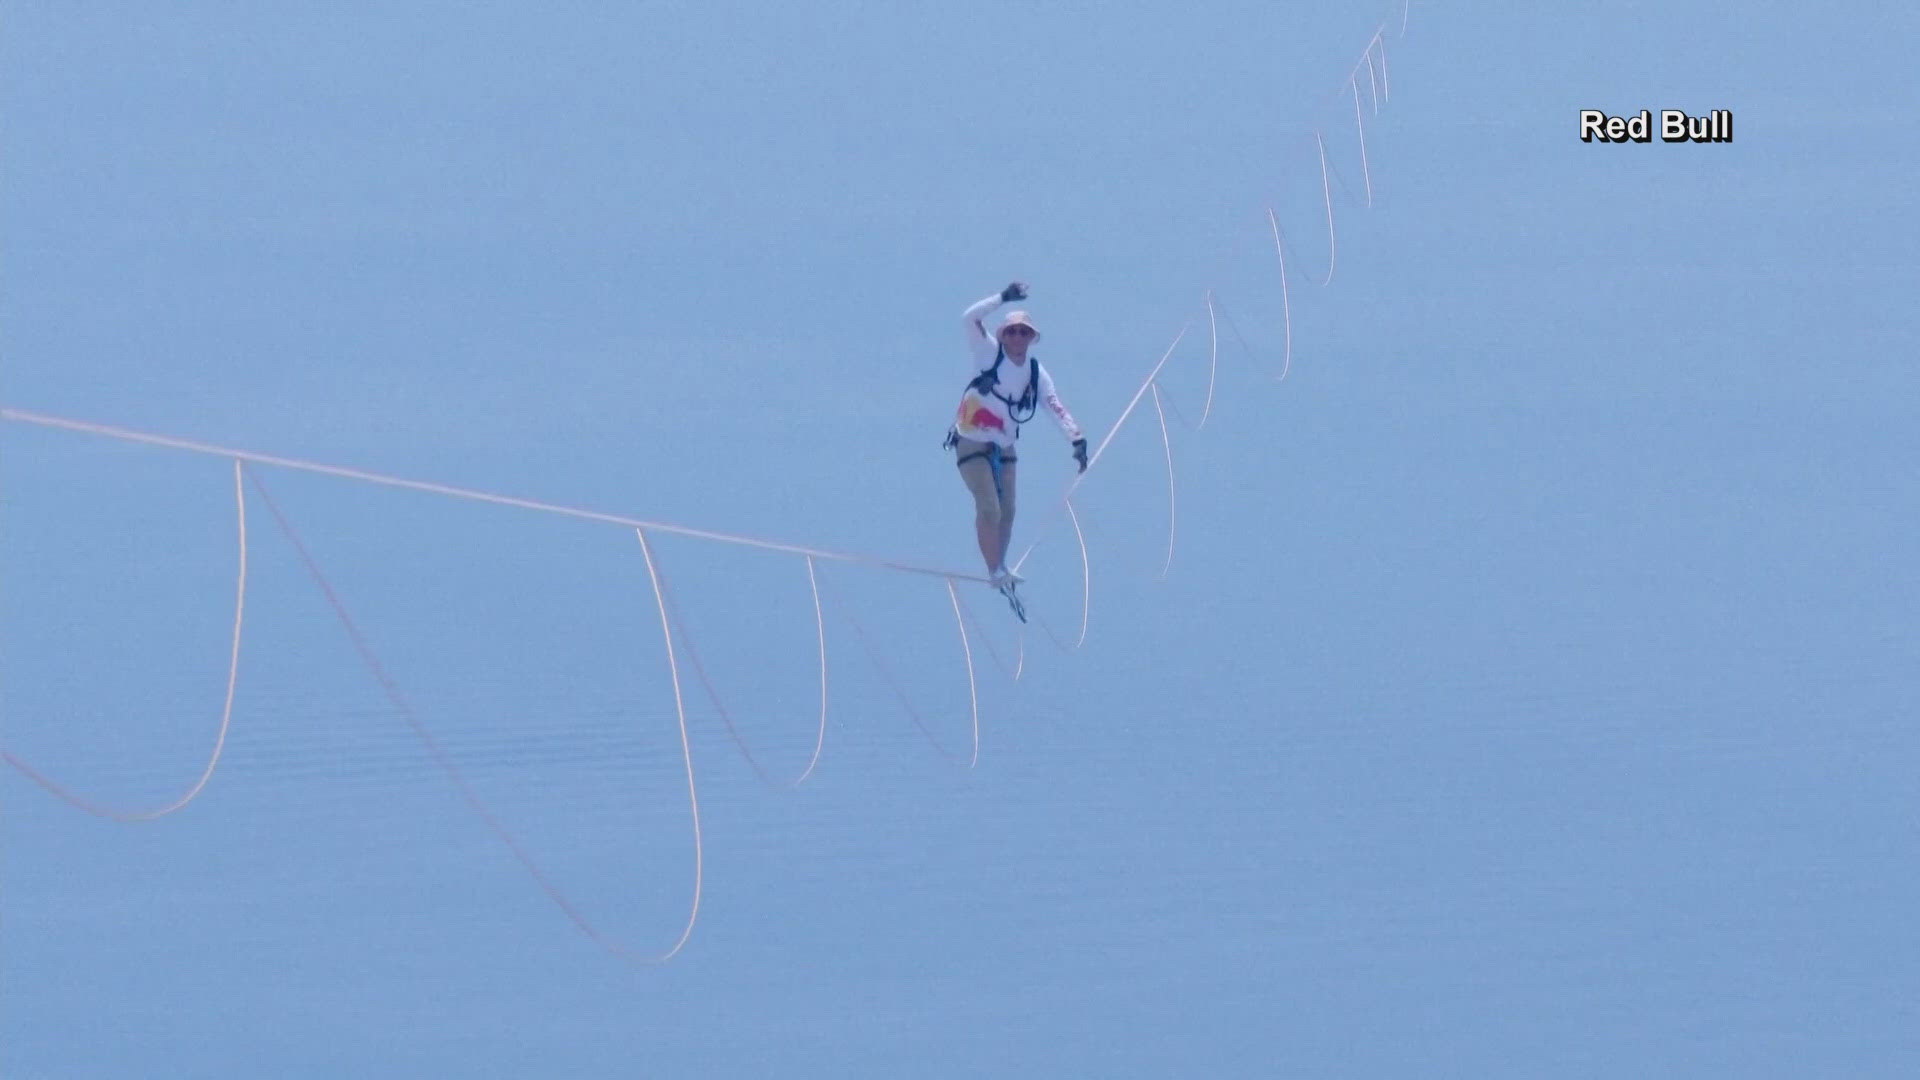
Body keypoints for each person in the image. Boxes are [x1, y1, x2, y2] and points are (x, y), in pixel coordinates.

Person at [945, 281, 1089, 613]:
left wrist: (1077, 439)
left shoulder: (1036, 373)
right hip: (971, 442)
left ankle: (1002, 566)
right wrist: (1002, 298)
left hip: (1005, 448)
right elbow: (968, 318)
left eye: (1024, 333)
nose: (1017, 338)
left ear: (1032, 338)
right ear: (1003, 335)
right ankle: (993, 570)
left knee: (1008, 510)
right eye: (1011, 332)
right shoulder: (987, 352)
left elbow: (1055, 407)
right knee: (989, 508)